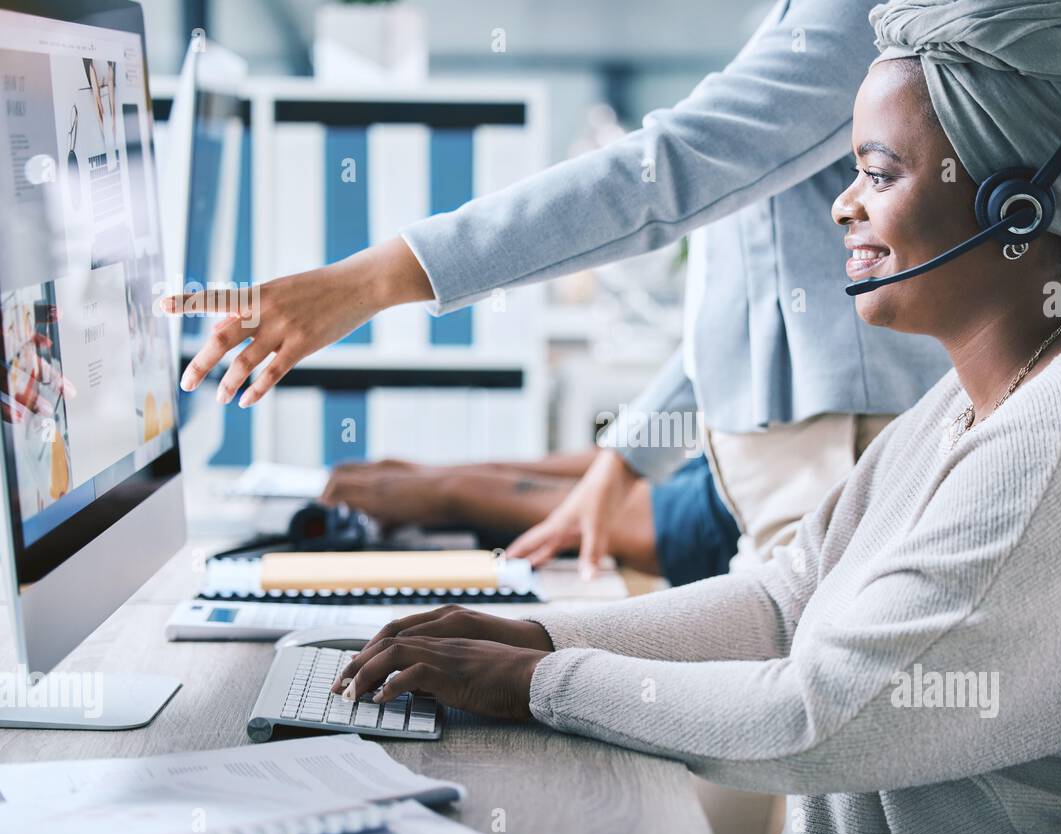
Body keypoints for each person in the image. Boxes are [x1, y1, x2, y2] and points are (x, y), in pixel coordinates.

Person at [325, 1, 1061, 834]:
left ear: (1012, 209)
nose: (842, 205)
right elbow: (786, 602)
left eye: (879, 174)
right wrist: (529, 632)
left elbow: (820, 715)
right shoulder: (989, 393)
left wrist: (534, 681)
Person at [167, 0, 951, 581]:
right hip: (786, 454)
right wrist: (623, 463)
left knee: (785, 772)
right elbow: (754, 299)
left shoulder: (860, 14)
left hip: (829, 450)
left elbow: (667, 173)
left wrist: (372, 279)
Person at [320, 452, 739, 587]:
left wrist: (449, 491)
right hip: (720, 471)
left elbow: (649, 521)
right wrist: (435, 476)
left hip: (731, 517)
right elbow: (622, 464)